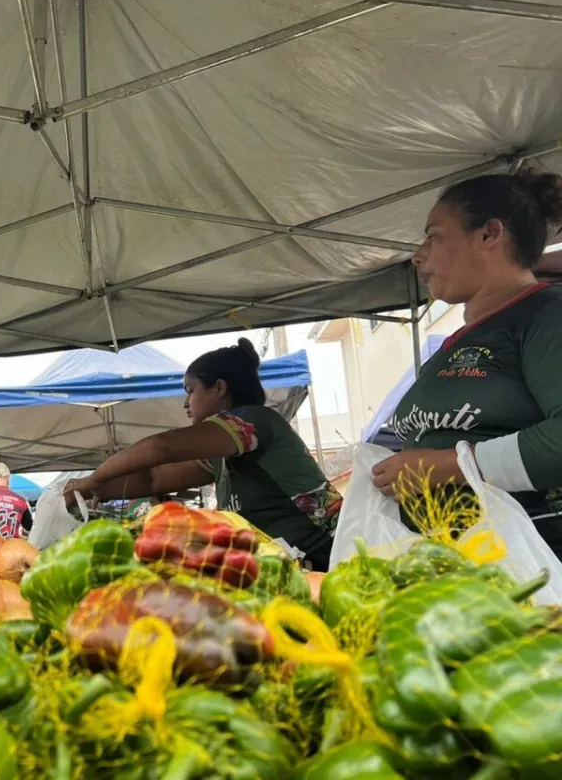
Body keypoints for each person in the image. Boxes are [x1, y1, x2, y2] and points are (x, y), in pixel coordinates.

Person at [371, 169, 562, 555]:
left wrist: (447, 466)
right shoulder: (459, 342)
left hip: (528, 565)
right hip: (451, 562)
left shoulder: (545, 313)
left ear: (489, 234)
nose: (418, 255)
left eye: (434, 236)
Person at [64, 339, 341, 569]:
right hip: (283, 565)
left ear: (219, 388)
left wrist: (94, 478)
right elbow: (152, 480)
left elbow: (162, 448)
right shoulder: (220, 453)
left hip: (325, 558)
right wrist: (87, 491)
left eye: (190, 390)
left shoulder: (256, 422)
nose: (186, 403)